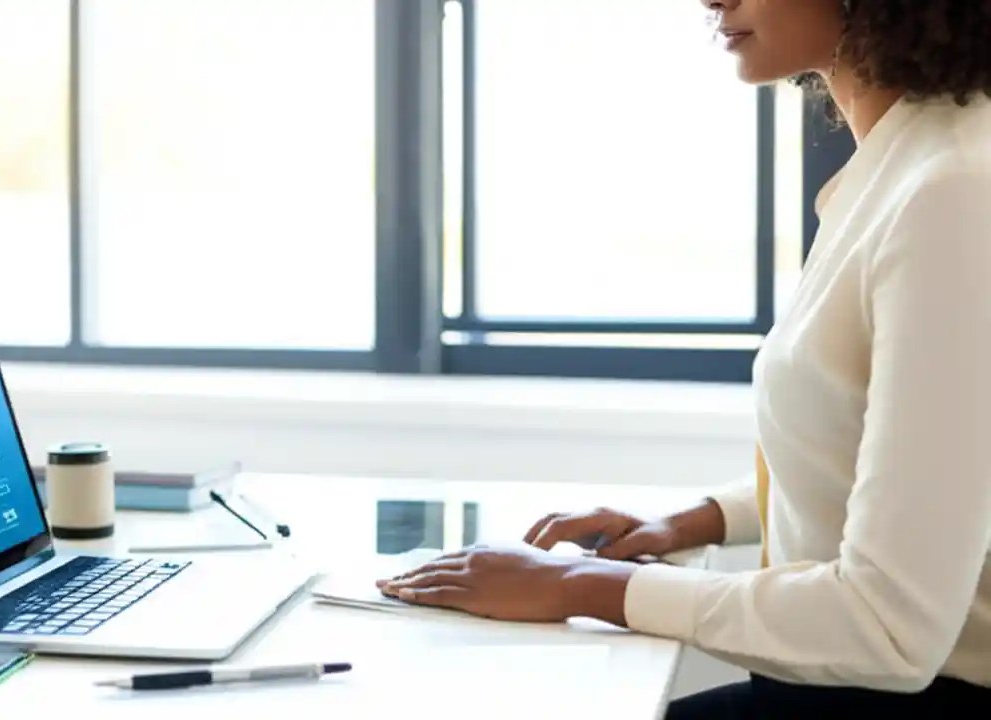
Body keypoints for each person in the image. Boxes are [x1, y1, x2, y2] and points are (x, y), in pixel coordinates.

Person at [377, 1, 991, 716]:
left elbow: (893, 625)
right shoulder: (904, 167)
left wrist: (580, 587)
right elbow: (880, 448)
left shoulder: (952, 193)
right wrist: (693, 521)